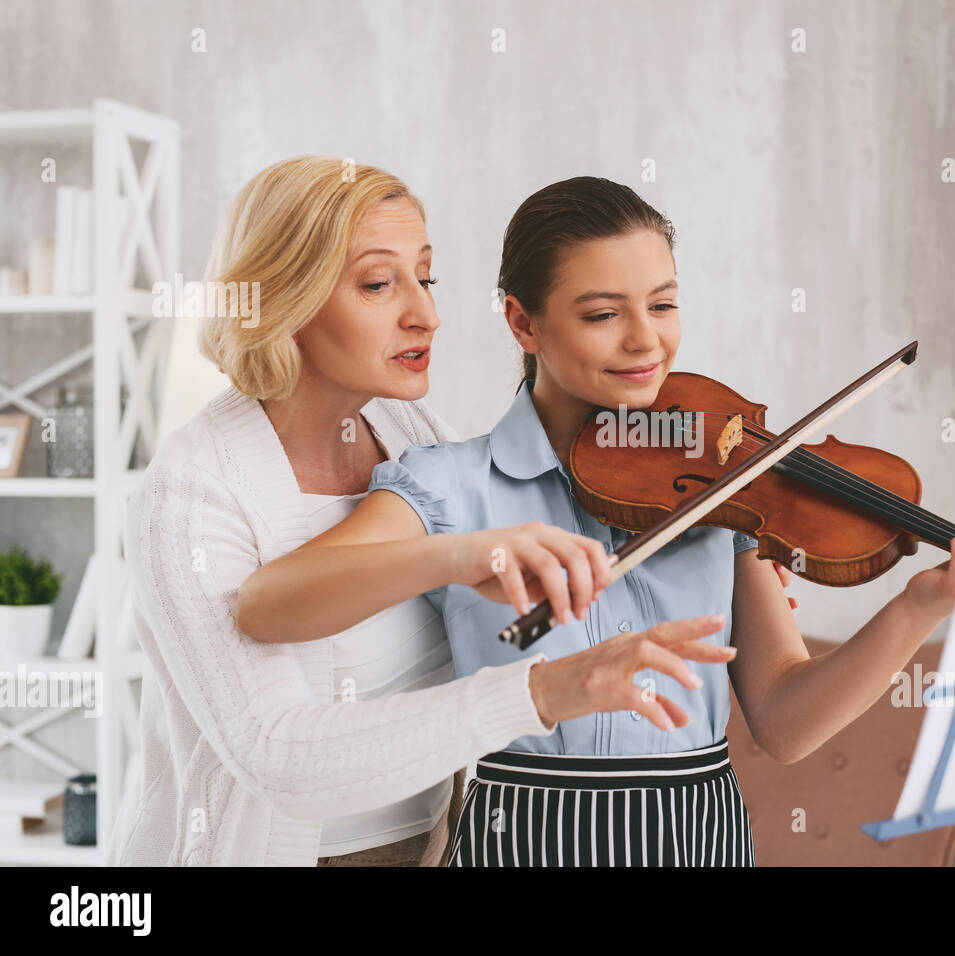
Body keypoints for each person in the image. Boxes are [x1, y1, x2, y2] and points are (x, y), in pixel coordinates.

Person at [236, 175, 955, 866]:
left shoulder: (723, 481)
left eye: (662, 305)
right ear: (523, 322)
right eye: (601, 314)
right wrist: (465, 556)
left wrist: (920, 607)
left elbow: (785, 723)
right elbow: (272, 603)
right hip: (526, 836)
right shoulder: (453, 486)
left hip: (699, 835)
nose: (645, 341)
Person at [110, 158, 733, 867]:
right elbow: (281, 759)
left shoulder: (411, 437)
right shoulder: (190, 495)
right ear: (284, 300)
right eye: (379, 284)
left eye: (425, 277)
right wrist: (534, 682)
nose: (425, 314)